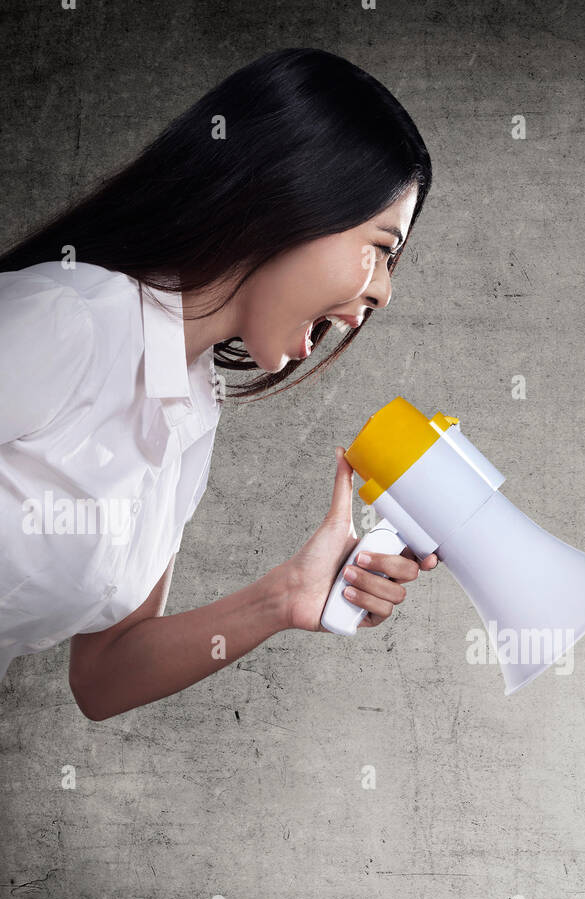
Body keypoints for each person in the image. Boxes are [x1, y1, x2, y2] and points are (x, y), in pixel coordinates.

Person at [0, 48, 437, 720]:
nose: (381, 291)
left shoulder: (191, 409)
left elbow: (106, 675)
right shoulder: (65, 321)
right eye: (380, 247)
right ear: (294, 197)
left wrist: (287, 595)